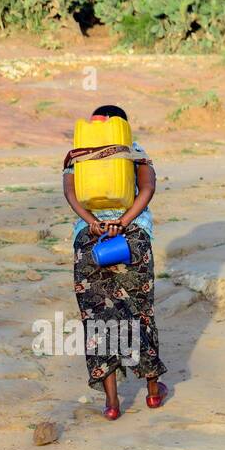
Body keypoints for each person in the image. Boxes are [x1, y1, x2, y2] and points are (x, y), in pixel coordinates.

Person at [62, 104, 167, 420]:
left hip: (90, 240)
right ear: (123, 125)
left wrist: (93, 221)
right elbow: (147, 188)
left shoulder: (76, 154)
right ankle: (151, 394)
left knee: (98, 317)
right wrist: (122, 222)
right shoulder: (133, 149)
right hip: (131, 237)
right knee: (139, 311)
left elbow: (70, 194)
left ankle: (111, 404)